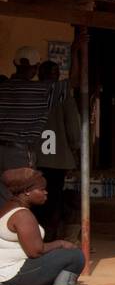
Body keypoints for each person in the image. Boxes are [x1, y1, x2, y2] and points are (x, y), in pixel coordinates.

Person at [0, 168, 85, 285]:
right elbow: (36, 252)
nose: (46, 193)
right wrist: (61, 243)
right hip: (13, 273)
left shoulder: (8, 207)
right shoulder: (22, 215)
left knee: (63, 256)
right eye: (42, 189)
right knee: (75, 256)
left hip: (6, 271)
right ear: (26, 191)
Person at [32, 60, 80, 240]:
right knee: (53, 197)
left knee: (33, 197)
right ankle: (50, 234)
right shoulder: (63, 93)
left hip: (35, 157)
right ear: (57, 75)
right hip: (57, 158)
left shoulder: (33, 91)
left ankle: (36, 232)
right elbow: (73, 127)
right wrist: (75, 147)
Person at [0, 46, 63, 182]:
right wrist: (76, 49)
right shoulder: (42, 90)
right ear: (36, 67)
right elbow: (75, 81)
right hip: (19, 153)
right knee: (20, 195)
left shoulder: (2, 87)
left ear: (14, 63)